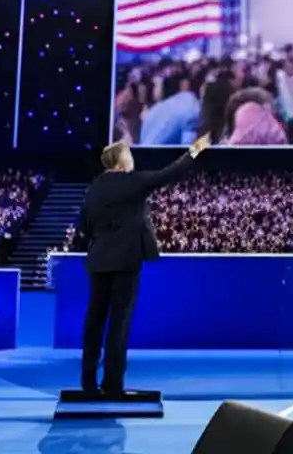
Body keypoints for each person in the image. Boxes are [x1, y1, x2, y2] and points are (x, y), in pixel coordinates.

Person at [77, 134, 211, 397]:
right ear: (119, 162)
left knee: (94, 320)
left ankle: (88, 381)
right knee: (119, 322)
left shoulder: (94, 187)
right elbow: (168, 174)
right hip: (125, 261)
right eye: (128, 155)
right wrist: (195, 150)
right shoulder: (131, 182)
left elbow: (85, 226)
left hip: (99, 259)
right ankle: (113, 384)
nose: (132, 159)